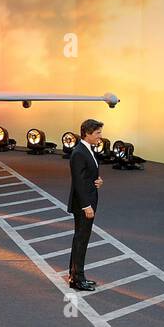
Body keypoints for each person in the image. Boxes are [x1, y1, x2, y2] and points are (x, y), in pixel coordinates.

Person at [66, 119, 105, 291]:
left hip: (88, 200)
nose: (100, 136)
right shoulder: (79, 153)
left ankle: (75, 275)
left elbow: (86, 177)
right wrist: (86, 206)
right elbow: (78, 183)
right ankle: (77, 279)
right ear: (87, 133)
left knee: (81, 239)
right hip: (84, 205)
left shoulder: (87, 150)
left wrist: (97, 181)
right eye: (97, 133)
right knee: (81, 240)